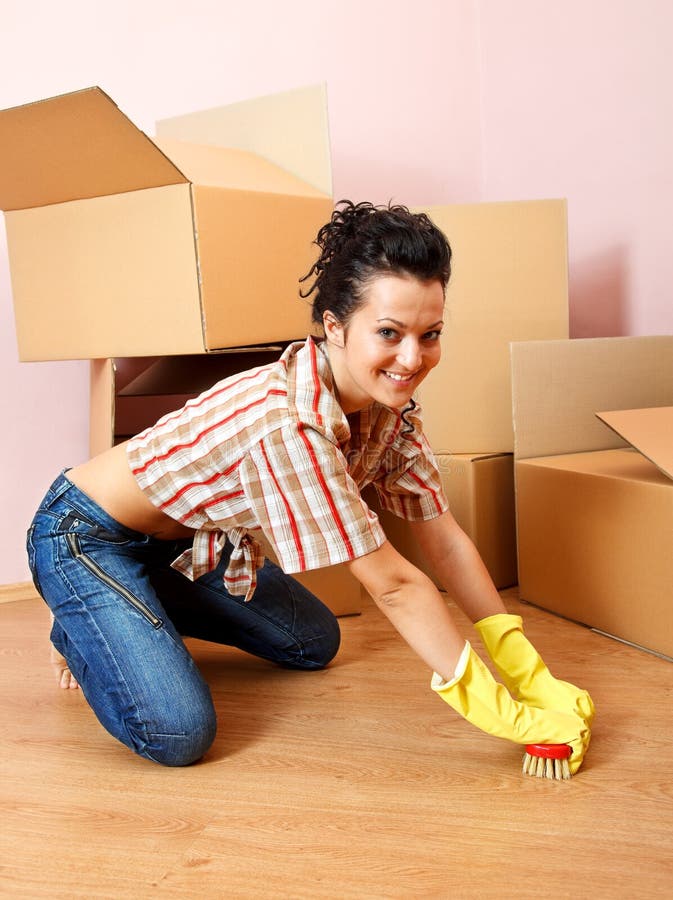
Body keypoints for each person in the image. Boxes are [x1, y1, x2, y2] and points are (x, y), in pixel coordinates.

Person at [26, 200, 594, 769]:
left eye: (431, 333)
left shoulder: (387, 412)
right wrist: (499, 710)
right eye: (390, 333)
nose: (412, 357)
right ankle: (81, 618)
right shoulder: (291, 424)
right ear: (334, 327)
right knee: (179, 735)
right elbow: (393, 585)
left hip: (182, 545)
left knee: (314, 642)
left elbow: (443, 538)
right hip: (86, 534)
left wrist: (527, 671)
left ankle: (133, 600)